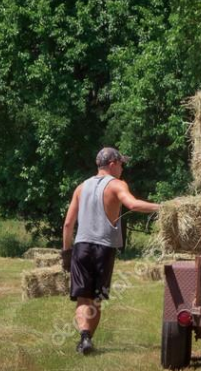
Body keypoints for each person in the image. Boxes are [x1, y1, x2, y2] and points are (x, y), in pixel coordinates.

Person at [61, 148, 160, 354]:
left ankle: (84, 337)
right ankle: (87, 340)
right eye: (121, 163)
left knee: (82, 297)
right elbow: (132, 204)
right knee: (96, 299)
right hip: (104, 248)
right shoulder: (117, 185)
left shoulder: (81, 187)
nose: (123, 167)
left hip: (81, 246)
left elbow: (68, 223)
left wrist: (66, 252)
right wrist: (163, 207)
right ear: (113, 163)